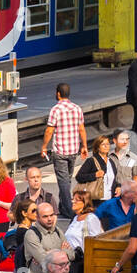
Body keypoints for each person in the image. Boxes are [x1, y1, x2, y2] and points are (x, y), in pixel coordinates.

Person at [40, 82, 87, 216]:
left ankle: (69, 210)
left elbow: (49, 131)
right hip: (73, 150)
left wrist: (44, 147)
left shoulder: (56, 109)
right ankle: (63, 206)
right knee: (67, 180)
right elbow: (81, 129)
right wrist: (84, 145)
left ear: (58, 94)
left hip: (60, 151)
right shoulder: (77, 108)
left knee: (63, 182)